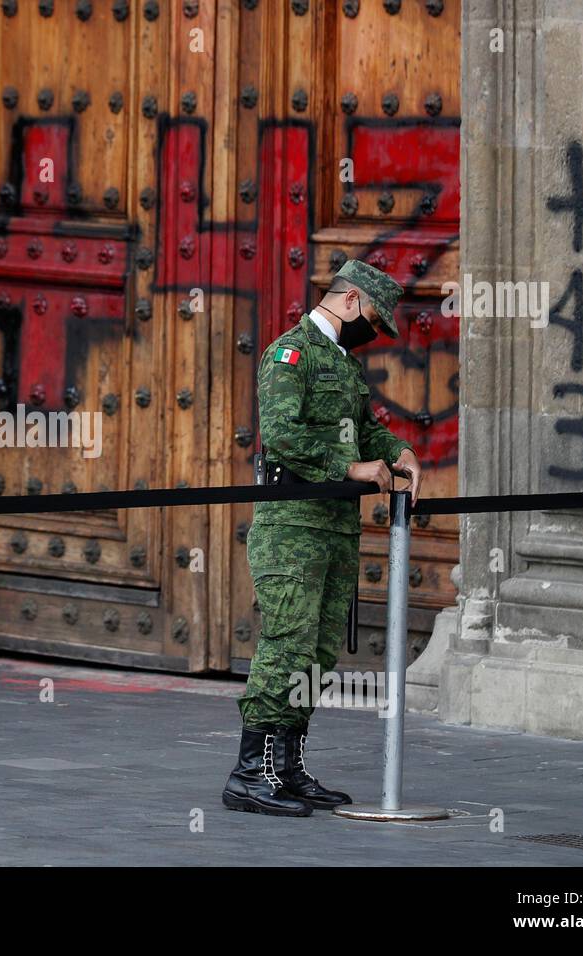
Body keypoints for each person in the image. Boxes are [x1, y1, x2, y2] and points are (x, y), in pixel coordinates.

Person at [223, 258, 422, 817]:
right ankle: (249, 773)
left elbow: (365, 427)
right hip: (292, 526)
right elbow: (283, 436)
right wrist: (351, 465)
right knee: (286, 645)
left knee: (316, 654)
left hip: (335, 527)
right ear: (352, 301)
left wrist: (394, 451)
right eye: (375, 321)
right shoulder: (290, 353)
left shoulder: (340, 360)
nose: (374, 335)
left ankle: (286, 769)